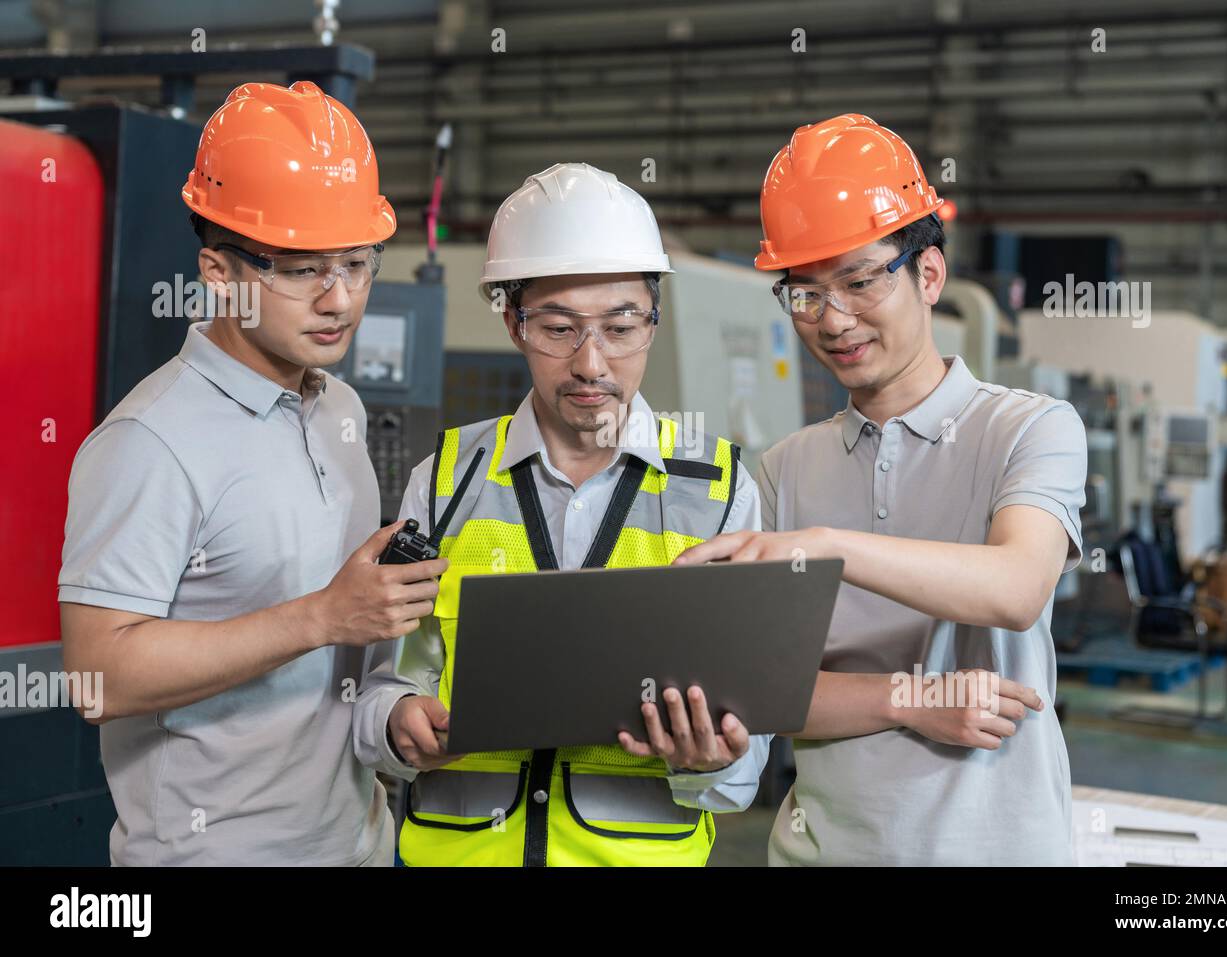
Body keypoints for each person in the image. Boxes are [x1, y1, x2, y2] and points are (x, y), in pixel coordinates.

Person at [677, 114, 1087, 866]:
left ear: (928, 274)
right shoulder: (784, 469)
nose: (833, 320)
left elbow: (1017, 586)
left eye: (860, 281)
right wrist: (914, 698)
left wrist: (826, 545)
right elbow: (764, 693)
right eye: (804, 295)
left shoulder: (1030, 429)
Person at [353, 162, 772, 866]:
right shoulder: (445, 483)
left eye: (620, 326)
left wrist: (710, 761)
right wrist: (395, 724)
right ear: (513, 322)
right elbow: (380, 683)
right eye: (558, 328)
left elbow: (743, 770)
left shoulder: (721, 493)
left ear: (653, 322)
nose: (591, 362)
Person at [57, 81, 423, 865]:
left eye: (358, 263)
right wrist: (321, 616)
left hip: (355, 848)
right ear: (218, 270)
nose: (340, 299)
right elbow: (95, 677)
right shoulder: (149, 441)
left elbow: (349, 656)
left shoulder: (340, 409)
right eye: (301, 270)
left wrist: (400, 718)